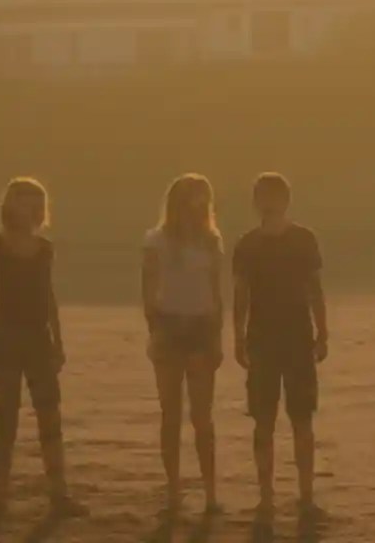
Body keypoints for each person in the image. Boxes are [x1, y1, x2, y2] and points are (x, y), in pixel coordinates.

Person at [0, 178, 88, 523]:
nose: (27, 208)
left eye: (34, 201)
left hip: (39, 339)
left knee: (50, 419)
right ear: (10, 205)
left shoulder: (45, 249)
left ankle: (59, 494)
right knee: (5, 421)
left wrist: (59, 341)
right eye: (22, 200)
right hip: (6, 338)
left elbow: (48, 296)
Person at [232, 173, 329, 530]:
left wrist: (323, 332)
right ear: (256, 202)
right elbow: (240, 295)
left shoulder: (304, 240)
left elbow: (314, 288)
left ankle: (306, 496)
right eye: (263, 196)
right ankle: (266, 497)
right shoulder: (247, 244)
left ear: (286, 200)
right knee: (263, 420)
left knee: (302, 418)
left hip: (298, 339)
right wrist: (238, 339)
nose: (269, 202)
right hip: (261, 341)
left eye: (275, 196)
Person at [142, 174, 225, 517]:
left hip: (202, 328)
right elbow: (148, 291)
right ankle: (174, 491)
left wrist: (218, 336)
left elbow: (217, 293)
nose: (198, 204)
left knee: (202, 417)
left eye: (203, 197)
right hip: (170, 326)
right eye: (192, 197)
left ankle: (210, 493)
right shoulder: (157, 240)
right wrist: (156, 330)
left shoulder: (211, 240)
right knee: (171, 414)